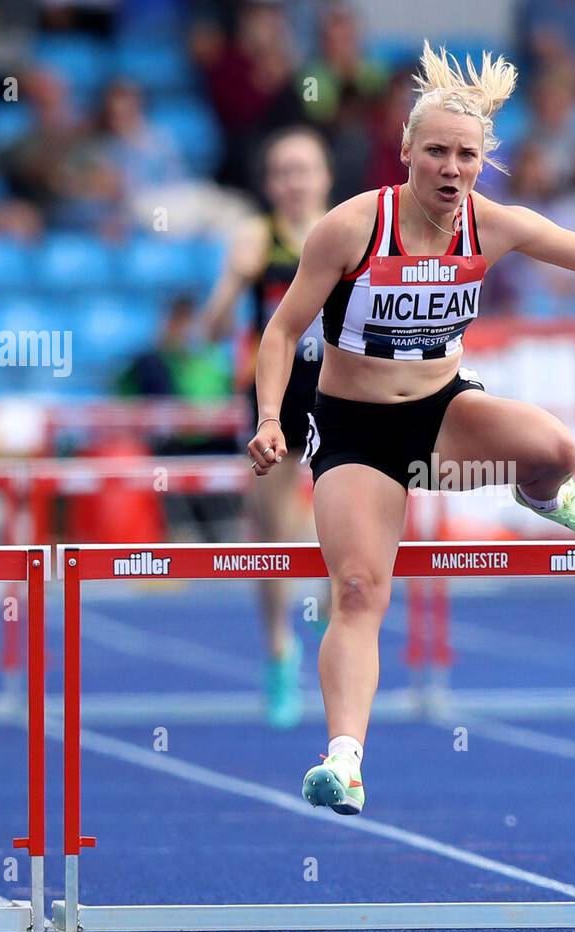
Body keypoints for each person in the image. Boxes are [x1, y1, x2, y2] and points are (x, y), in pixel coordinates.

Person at [247, 43, 575, 815]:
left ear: (482, 162)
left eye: (465, 154)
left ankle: (545, 495)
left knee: (556, 448)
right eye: (435, 151)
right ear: (406, 152)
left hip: (441, 416)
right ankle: (345, 757)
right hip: (356, 430)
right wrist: (271, 418)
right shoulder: (351, 227)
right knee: (359, 588)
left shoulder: (491, 225)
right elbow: (278, 331)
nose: (449, 168)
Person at [202, 125, 333, 728]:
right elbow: (208, 332)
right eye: (283, 170)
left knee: (350, 527)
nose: (294, 181)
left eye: (304, 169)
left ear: (324, 177)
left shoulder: (348, 231)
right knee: (272, 535)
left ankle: (337, 617)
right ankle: (280, 651)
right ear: (268, 183)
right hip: (272, 399)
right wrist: (234, 280)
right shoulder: (256, 238)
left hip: (338, 395)